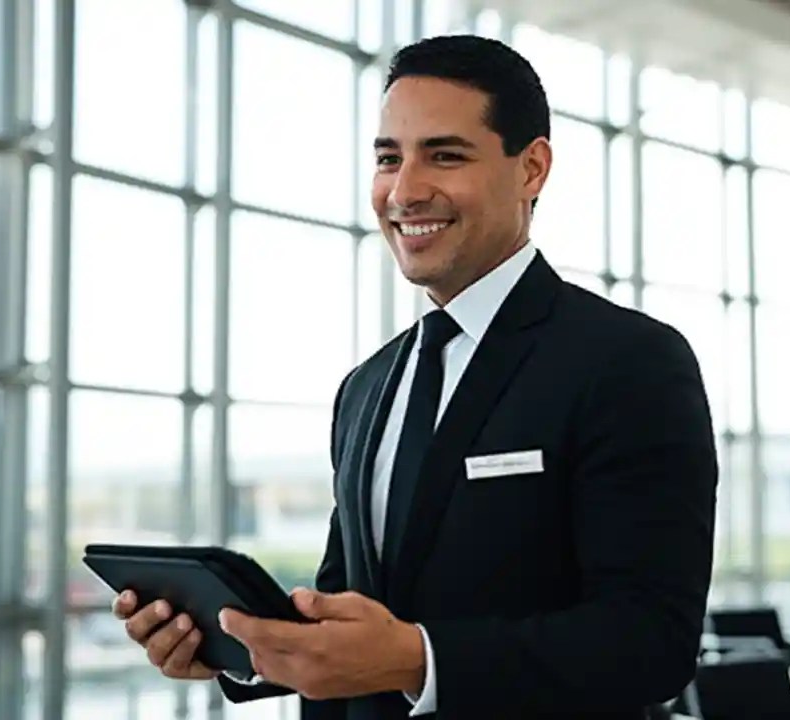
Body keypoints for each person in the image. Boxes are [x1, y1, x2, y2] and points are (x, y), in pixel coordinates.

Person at [112, 33, 718, 719]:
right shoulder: (366, 387)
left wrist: (417, 660)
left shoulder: (629, 361)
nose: (404, 191)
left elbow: (650, 641)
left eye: (445, 155)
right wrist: (238, 647)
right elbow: (350, 620)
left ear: (532, 169)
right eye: (387, 159)